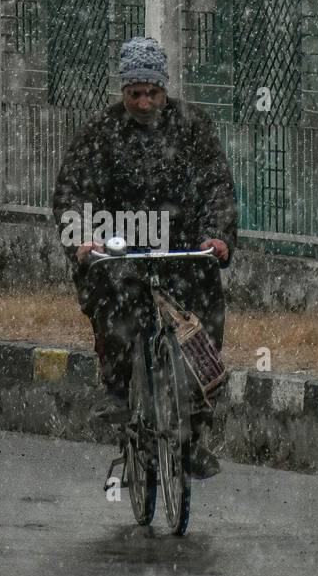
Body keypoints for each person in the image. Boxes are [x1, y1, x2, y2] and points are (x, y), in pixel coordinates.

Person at [51, 36, 238, 479]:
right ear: (123, 92)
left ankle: (192, 432)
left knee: (202, 325)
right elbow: (72, 193)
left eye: (152, 92)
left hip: (182, 250)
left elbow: (217, 187)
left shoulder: (193, 127)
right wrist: (83, 239)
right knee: (116, 305)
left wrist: (217, 237)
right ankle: (119, 394)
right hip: (120, 251)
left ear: (164, 89)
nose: (144, 101)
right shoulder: (100, 134)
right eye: (135, 93)